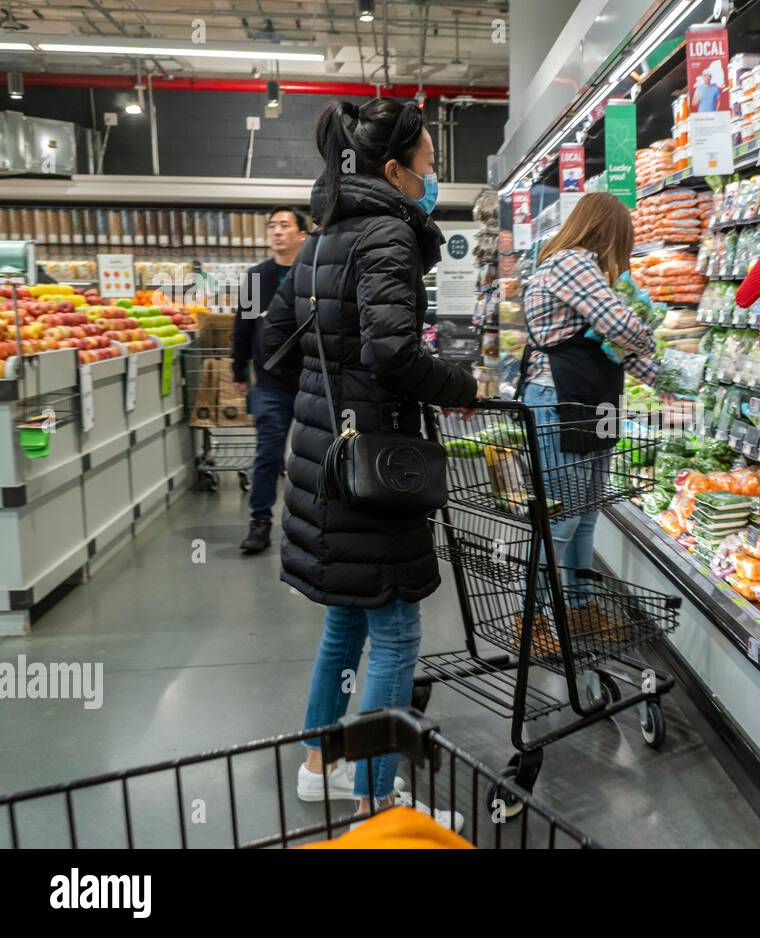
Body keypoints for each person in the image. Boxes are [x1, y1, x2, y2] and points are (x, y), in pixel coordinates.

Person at [260, 98, 475, 828]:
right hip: (376, 468)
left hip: (325, 460)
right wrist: (462, 384)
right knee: (395, 631)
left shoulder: (323, 239)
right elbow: (393, 354)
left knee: (344, 626)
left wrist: (325, 395)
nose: (435, 175)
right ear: (392, 170)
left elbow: (275, 344)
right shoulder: (387, 236)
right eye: (428, 164)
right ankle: (376, 798)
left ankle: (320, 763)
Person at [520, 192, 658, 623]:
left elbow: (616, 347)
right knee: (561, 521)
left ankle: (579, 609)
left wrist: (672, 384)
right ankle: (538, 619)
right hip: (560, 401)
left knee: (584, 517)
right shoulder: (572, 262)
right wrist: (648, 330)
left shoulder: (586, 271)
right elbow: (620, 326)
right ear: (609, 232)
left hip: (590, 401)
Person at [231, 205, 308, 554]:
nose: (277, 231)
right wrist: (237, 370)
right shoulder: (253, 279)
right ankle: (260, 522)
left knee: (315, 457)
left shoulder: (314, 276)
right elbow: (242, 328)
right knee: (268, 454)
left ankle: (314, 523)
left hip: (311, 384)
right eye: (272, 226)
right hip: (270, 384)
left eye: (285, 225)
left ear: (302, 235)